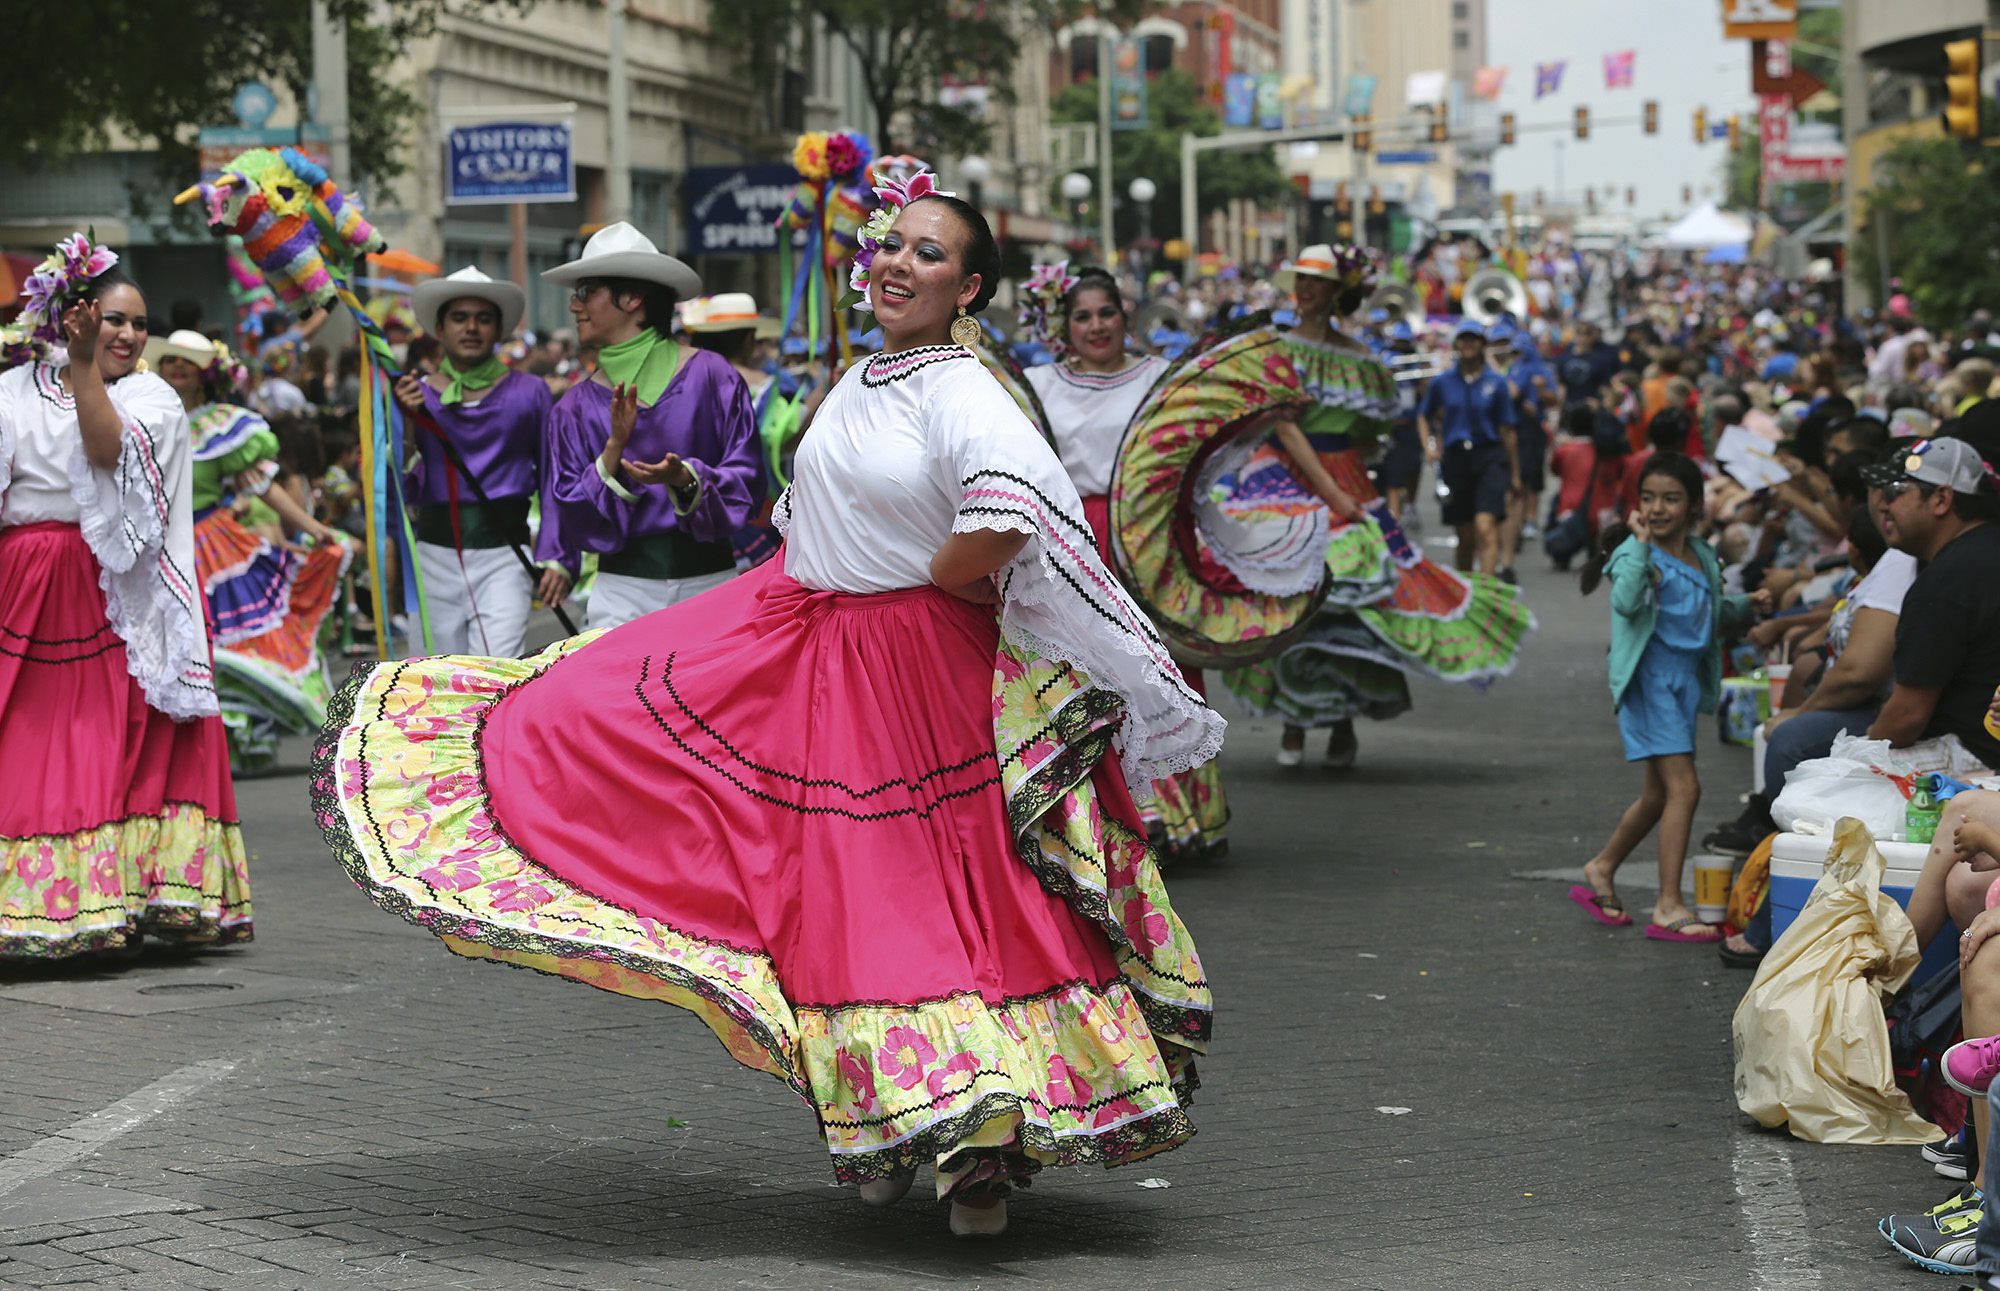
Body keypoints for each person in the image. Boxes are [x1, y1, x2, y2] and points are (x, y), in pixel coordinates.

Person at [312, 183, 1219, 1238]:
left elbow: (1008, 507)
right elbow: (803, 518)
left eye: (926, 255)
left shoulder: (959, 388)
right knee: (820, 889)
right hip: (814, 650)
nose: (894, 264)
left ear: (965, 287)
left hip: (915, 674)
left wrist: (939, 576)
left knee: (932, 899)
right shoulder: (863, 378)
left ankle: (975, 1139)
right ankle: (889, 1118)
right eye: (890, 245)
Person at [1112, 244, 1535, 769]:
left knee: (1351, 603)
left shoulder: (1361, 359)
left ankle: (1338, 720)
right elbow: (1283, 425)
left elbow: (1372, 435)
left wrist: (1346, 479)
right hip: (1281, 479)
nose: (1305, 289)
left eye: (1318, 280)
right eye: (1300, 279)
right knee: (1287, 596)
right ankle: (1294, 722)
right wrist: (1329, 488)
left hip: (1346, 478)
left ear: (1339, 290)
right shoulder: (1275, 347)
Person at [0, 235, 252, 959]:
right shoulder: (14, 388)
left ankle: (111, 897)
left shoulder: (149, 394)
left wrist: (84, 368)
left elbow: (106, 450)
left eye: (138, 324)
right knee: (28, 737)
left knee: (98, 741)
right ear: (71, 315)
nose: (130, 334)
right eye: (115, 319)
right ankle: (34, 901)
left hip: (109, 584)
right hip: (26, 584)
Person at [1022, 264, 1226, 864]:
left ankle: (1189, 818)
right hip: (1074, 542)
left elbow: (1201, 452)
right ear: (1064, 324)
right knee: (1092, 675)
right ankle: (1118, 823)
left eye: (1105, 313)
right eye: (1081, 316)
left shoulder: (1162, 380)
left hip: (1152, 540)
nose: (1095, 326)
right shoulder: (1037, 384)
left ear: (1125, 316)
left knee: (1166, 664)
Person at [1571, 453, 1770, 940]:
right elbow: (1624, 600)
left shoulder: (1701, 553)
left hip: (1682, 685)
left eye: (1671, 498)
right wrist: (1638, 545)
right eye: (1649, 498)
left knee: (1658, 795)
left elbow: (1711, 612)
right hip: (1650, 683)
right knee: (1686, 788)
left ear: (1695, 505)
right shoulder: (1633, 557)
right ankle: (1668, 904)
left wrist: (1750, 606)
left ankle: (1602, 867)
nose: (1658, 508)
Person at [145, 328, 351, 774]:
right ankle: (183, 747)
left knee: (229, 645)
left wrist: (314, 528)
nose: (177, 367)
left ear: (205, 374)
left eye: (188, 361)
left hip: (211, 548)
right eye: (169, 360)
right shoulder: (141, 415)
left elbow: (263, 487)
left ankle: (232, 738)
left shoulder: (221, 424)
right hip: (156, 549)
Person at [540, 223, 760, 628]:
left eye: (586, 292)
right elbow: (571, 512)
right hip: (621, 593)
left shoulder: (713, 376)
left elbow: (748, 480)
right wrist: (613, 449)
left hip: (711, 586)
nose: (574, 306)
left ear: (632, 298)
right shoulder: (571, 408)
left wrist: (686, 478)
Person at [395, 266, 573, 657]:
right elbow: (401, 483)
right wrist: (407, 423)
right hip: (432, 557)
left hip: (504, 558)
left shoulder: (531, 392)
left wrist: (558, 556)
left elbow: (553, 476)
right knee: (432, 682)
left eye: (483, 319)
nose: (471, 328)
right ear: (440, 330)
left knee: (496, 677)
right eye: (460, 318)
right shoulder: (411, 395)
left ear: (498, 330)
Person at [1862, 436, 2000, 769]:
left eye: (1896, 492)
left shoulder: (1947, 579)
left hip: (1975, 758)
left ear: (1941, 499)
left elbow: (1907, 717)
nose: (1884, 506)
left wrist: (1862, 748)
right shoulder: (1985, 549)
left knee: (1817, 776)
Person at [680, 292, 797, 572]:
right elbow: (782, 440)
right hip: (753, 508)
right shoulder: (769, 386)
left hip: (695, 507)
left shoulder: (683, 383)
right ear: (748, 339)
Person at [1417, 320, 1519, 579]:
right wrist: (1428, 447)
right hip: (1456, 459)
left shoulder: (1496, 383)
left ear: (1482, 345)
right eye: (1463, 339)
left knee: (1486, 527)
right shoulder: (1442, 382)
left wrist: (1515, 473)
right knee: (1464, 534)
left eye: (1474, 339)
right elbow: (1423, 415)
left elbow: (1507, 429)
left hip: (1489, 456)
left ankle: (1487, 591)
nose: (1469, 344)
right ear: (1456, 344)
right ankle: (1466, 589)